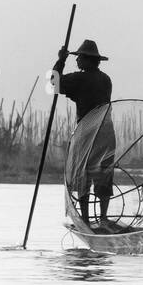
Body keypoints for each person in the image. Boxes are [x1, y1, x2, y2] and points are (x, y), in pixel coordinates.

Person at [53, 39, 115, 228]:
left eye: (79, 57)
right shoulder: (106, 79)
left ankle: (87, 220)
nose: (77, 60)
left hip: (87, 133)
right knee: (103, 172)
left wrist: (60, 61)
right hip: (106, 132)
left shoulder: (80, 78)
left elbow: (53, 84)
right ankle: (103, 218)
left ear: (88, 60)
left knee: (83, 174)